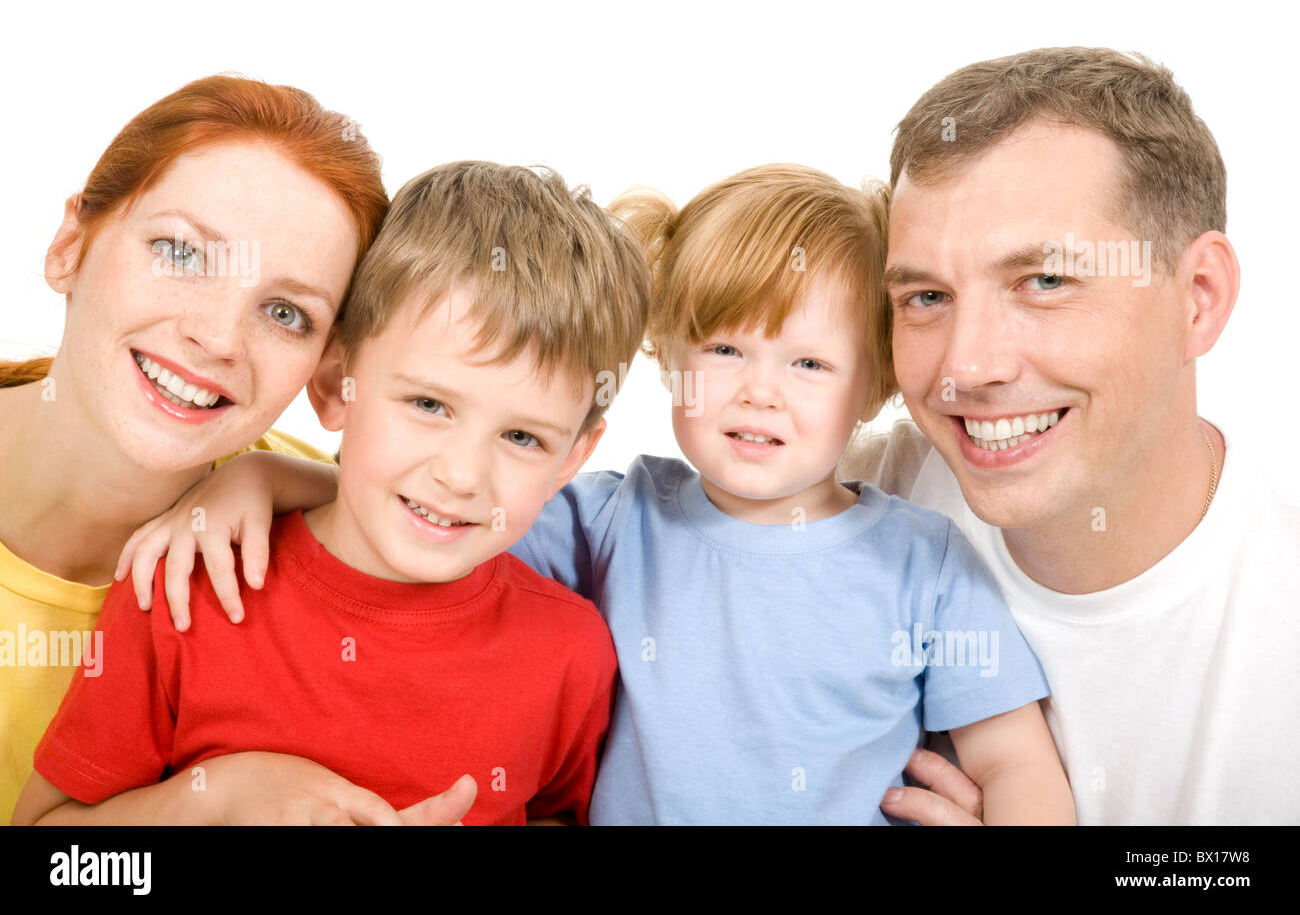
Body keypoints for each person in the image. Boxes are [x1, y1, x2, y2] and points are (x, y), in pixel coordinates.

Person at [137, 164, 1075, 824]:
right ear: (666, 361)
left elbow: (1013, 759)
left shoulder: (921, 559)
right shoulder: (617, 517)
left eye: (809, 363)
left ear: (873, 387)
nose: (759, 390)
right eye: (722, 349)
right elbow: (438, 508)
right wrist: (259, 473)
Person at [13, 160, 652, 826]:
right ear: (335, 383)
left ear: (574, 457)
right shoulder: (185, 585)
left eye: (522, 438)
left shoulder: (571, 653)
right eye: (429, 404)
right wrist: (217, 801)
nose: (462, 476)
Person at [840, 46, 1300, 824]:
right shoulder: (843, 505)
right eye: (925, 295)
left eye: (1044, 282)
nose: (968, 365)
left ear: (1199, 298)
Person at [0, 74, 392, 825]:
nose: (216, 337)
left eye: (285, 313)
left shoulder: (320, 549)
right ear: (70, 246)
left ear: (328, 369)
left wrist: (272, 476)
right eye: (180, 252)